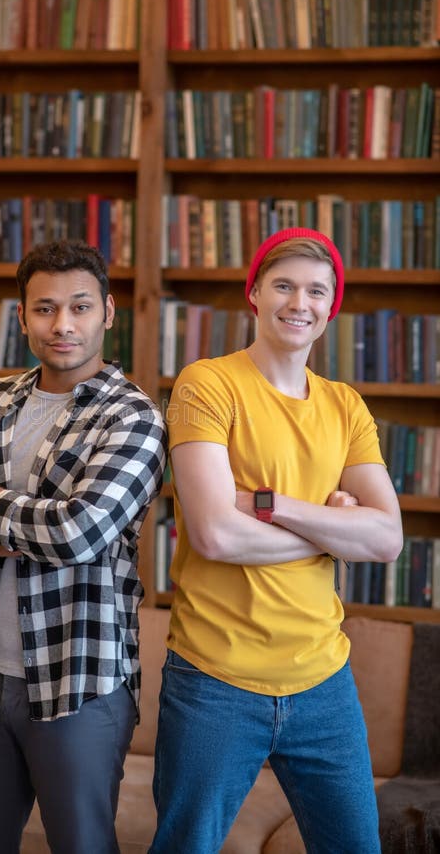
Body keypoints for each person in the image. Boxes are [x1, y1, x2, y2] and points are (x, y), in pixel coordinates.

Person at [0, 239, 167, 854]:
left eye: (79, 307)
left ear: (107, 311)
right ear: (21, 317)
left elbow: (79, 533)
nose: (63, 325)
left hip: (81, 677)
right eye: (45, 309)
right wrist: (20, 524)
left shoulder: (135, 418)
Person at [150, 227, 403, 854]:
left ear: (331, 306)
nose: (300, 302)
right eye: (284, 285)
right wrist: (332, 529)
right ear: (255, 294)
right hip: (215, 678)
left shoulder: (345, 406)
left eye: (317, 290)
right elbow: (211, 532)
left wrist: (271, 507)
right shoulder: (206, 384)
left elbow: (388, 536)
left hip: (324, 680)